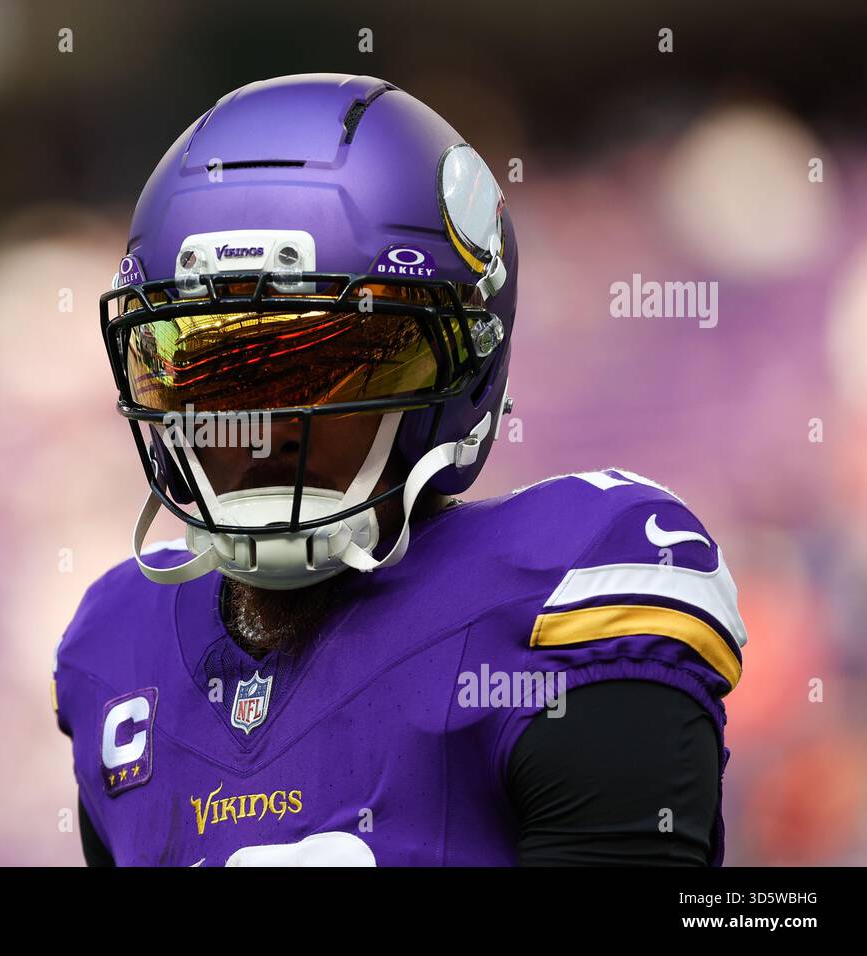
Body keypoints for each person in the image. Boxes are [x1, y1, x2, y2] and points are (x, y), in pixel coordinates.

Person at [53, 73, 744, 866]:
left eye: (337, 369)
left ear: (465, 373)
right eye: (217, 379)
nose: (269, 431)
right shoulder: (115, 654)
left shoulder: (559, 603)